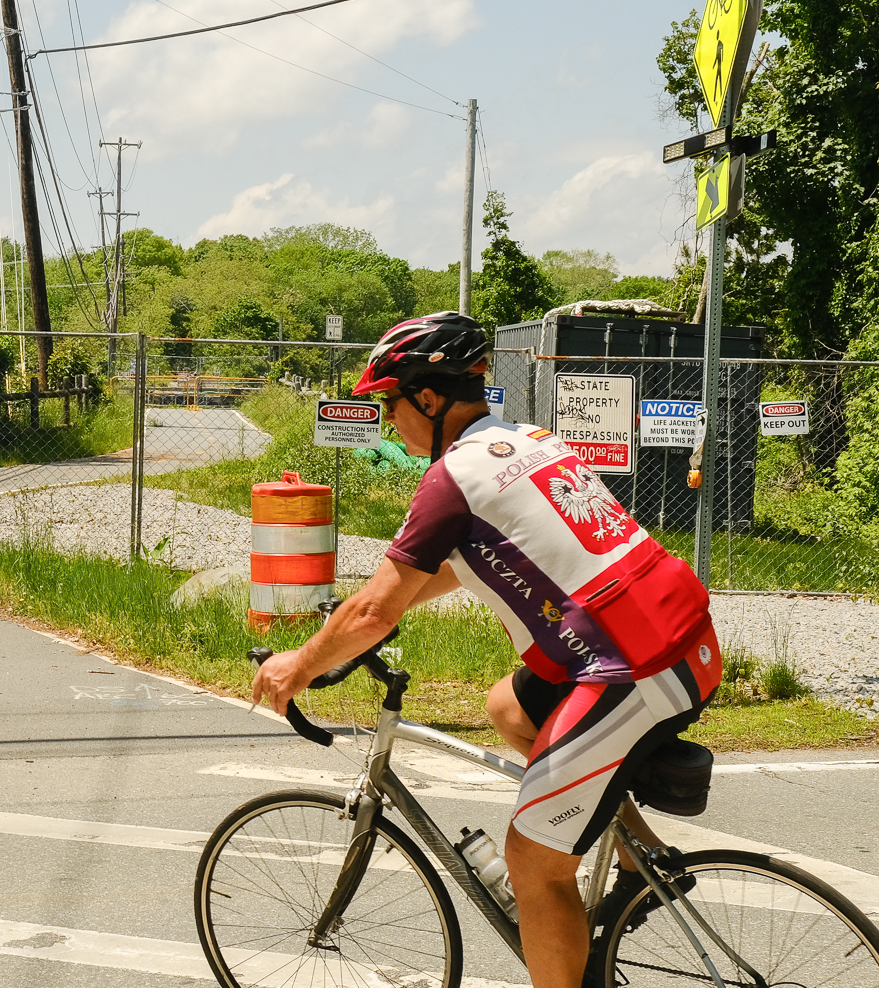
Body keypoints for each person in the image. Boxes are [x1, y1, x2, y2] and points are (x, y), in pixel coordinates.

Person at [252, 312, 718, 988]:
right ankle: (640, 855)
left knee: (533, 861)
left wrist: (299, 663)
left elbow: (377, 608)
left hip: (634, 667)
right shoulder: (526, 439)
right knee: (508, 706)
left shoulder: (453, 477)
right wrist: (345, 628)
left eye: (391, 405)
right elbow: (440, 573)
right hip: (679, 636)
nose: (390, 424)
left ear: (429, 398)